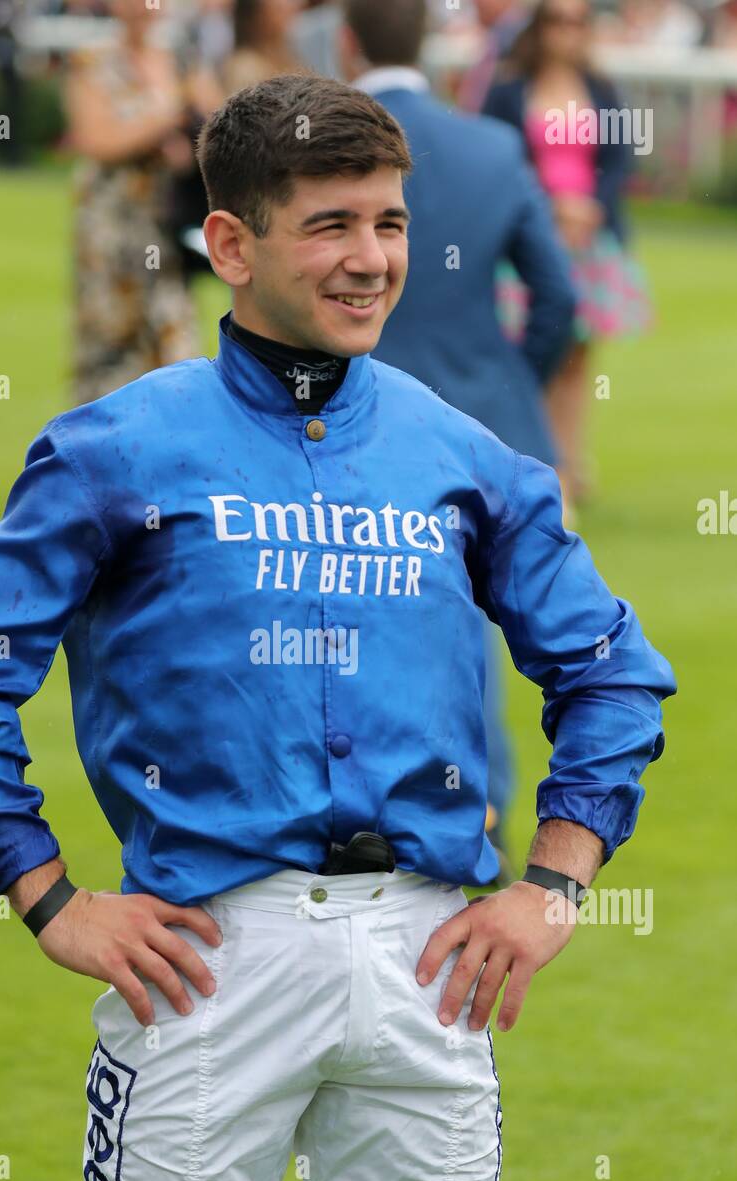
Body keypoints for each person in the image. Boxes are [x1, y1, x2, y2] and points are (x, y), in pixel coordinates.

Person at [0, 73, 676, 1181]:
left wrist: (553, 884)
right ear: (229, 243)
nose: (370, 260)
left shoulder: (462, 453)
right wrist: (46, 897)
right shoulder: (116, 447)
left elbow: (609, 669)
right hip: (206, 964)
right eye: (330, 225)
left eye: (389, 224)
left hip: (430, 961)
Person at [339, 0, 577, 874]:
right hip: (492, 429)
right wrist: (501, 383)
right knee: (481, 645)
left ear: (349, 42)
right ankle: (484, 820)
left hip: (356, 428)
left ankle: (379, 827)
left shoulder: (320, 151)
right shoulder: (490, 145)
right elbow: (555, 297)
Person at [482, 0, 653, 508]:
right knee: (536, 349)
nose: (566, 31)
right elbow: (497, 156)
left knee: (579, 358)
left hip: (588, 239)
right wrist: (551, 209)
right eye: (557, 20)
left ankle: (571, 460)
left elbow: (619, 161)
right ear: (540, 27)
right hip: (532, 238)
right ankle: (535, 456)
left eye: (576, 21)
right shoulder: (510, 91)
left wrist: (592, 207)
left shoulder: (600, 90)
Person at [64, 0, 199, 404]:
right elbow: (95, 140)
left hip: (165, 218)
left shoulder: (179, 59)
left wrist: (184, 143)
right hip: (112, 223)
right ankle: (99, 439)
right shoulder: (90, 61)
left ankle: (174, 429)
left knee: (172, 329)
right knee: (111, 334)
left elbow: (212, 122)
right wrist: (162, 123)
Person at [220, 0, 304, 95]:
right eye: (278, 9)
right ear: (257, 18)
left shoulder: (284, 52)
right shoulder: (246, 66)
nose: (289, 10)